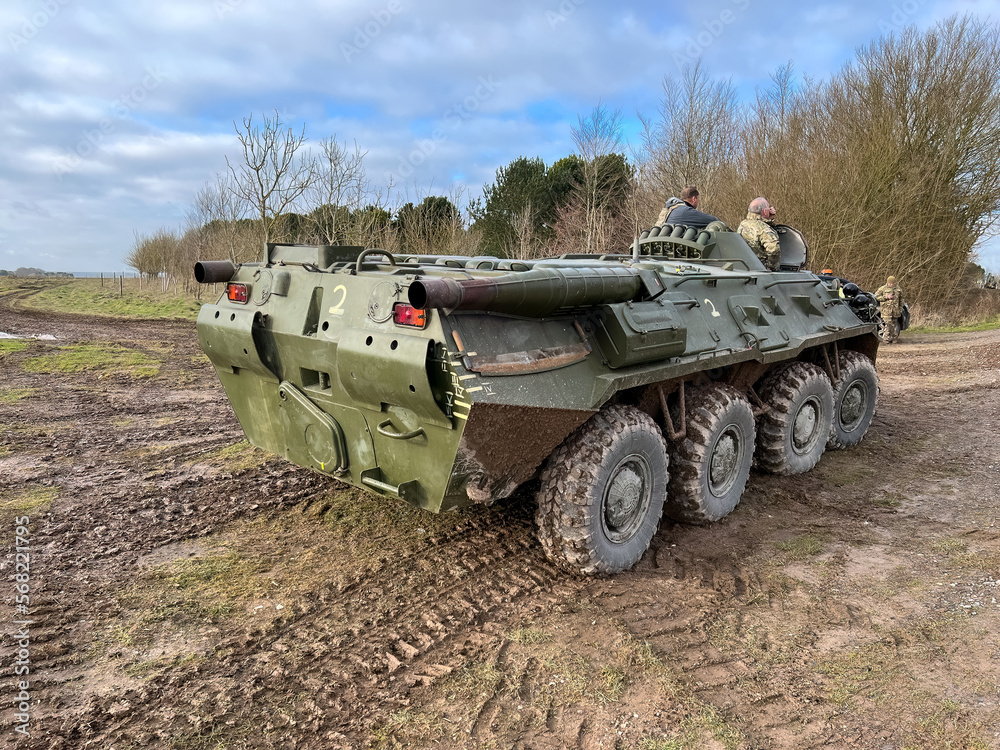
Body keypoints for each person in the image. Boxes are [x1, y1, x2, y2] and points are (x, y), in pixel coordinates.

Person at [737, 197, 781, 270]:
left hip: (744, 267)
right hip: (760, 269)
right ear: (764, 212)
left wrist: (769, 219)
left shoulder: (742, 224)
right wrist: (772, 268)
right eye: (768, 209)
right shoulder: (764, 229)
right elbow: (774, 249)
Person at [874, 275, 905, 343]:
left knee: (892, 324)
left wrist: (900, 308)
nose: (890, 284)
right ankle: (894, 336)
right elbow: (877, 296)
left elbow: (901, 299)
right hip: (886, 310)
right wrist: (886, 297)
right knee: (888, 323)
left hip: (895, 310)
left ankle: (886, 339)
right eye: (889, 283)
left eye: (892, 283)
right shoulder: (882, 288)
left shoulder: (898, 289)